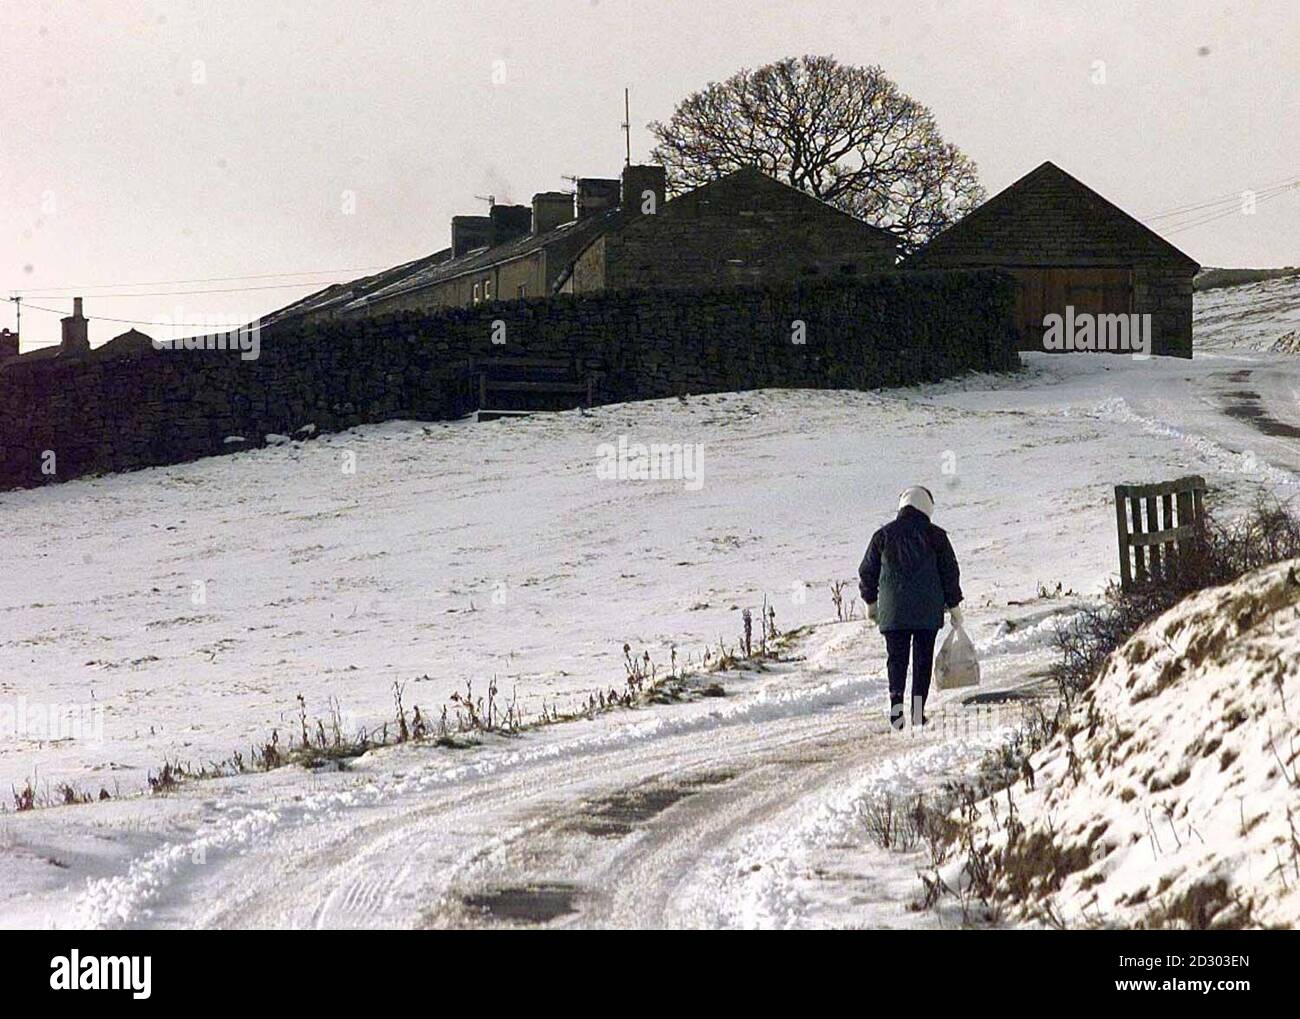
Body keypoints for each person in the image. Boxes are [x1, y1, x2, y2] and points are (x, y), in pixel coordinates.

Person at [858, 485, 964, 730]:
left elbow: (867, 571)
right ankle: (917, 712)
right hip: (927, 612)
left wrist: (870, 602)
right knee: (921, 660)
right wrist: (954, 605)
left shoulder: (882, 535)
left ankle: (896, 712)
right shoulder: (936, 536)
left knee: (896, 660)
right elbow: (950, 573)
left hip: (892, 613)